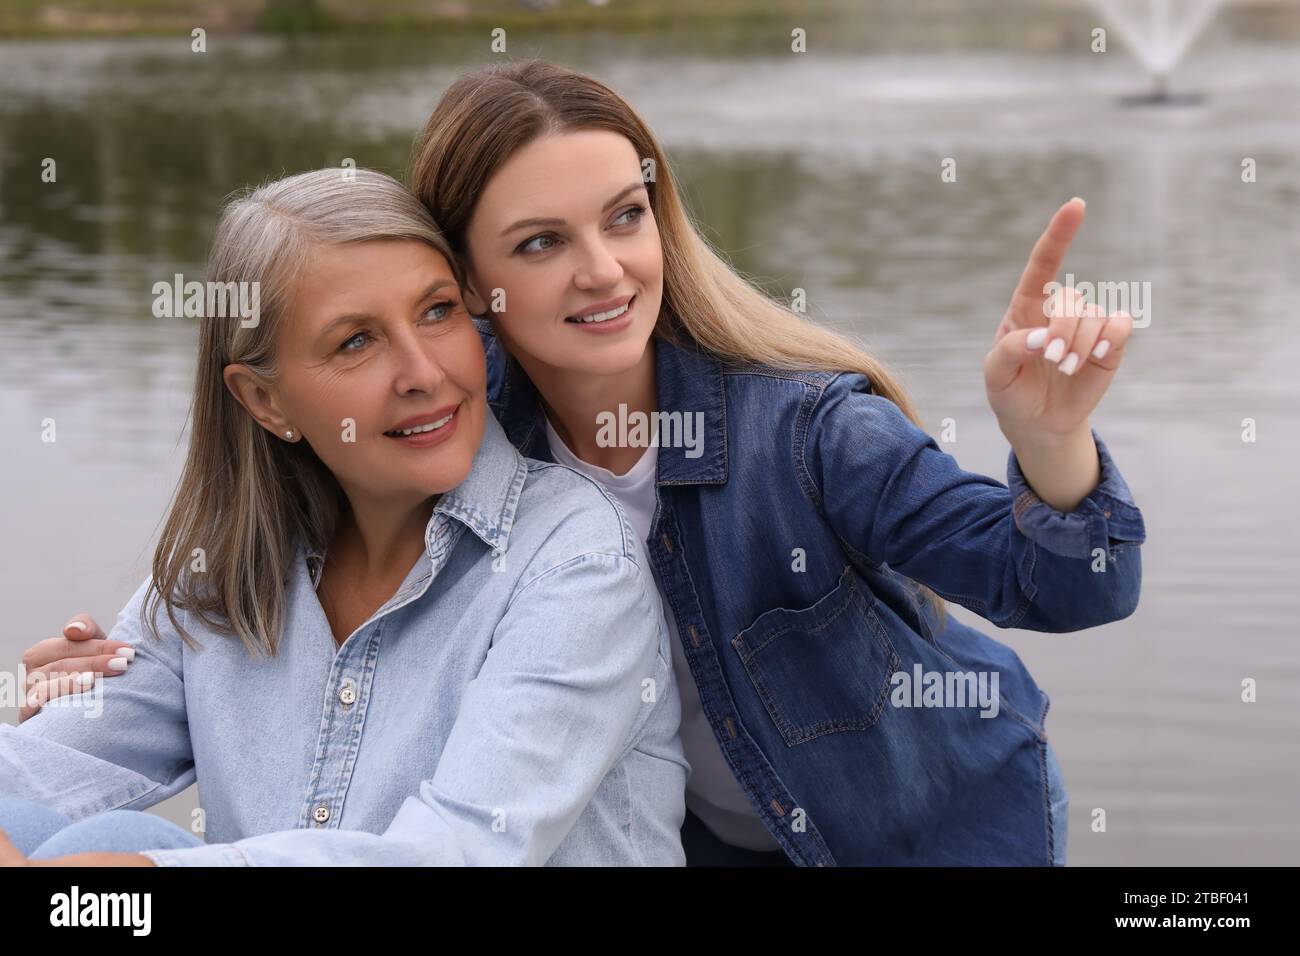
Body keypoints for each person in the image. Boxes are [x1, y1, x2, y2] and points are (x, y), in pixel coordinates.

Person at [21, 61, 1146, 865]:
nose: (605, 270)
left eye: (624, 217)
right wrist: (69, 693)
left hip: (917, 831)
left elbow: (1068, 581)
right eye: (541, 242)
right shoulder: (450, 436)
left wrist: (1047, 439)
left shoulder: (798, 436)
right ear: (473, 281)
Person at [0, 167, 688, 867]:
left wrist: (133, 876)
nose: (423, 372)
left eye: (437, 311)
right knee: (81, 835)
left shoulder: (578, 562)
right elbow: (39, 767)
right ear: (265, 402)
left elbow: (458, 853)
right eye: (355, 342)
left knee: (120, 854)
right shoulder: (225, 572)